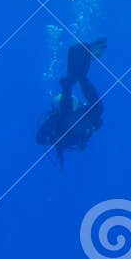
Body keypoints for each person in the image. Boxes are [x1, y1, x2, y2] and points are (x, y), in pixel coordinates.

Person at [36, 38, 106, 166]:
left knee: (87, 111)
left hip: (72, 122)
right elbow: (40, 138)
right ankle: (78, 80)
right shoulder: (56, 123)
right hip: (68, 125)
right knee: (90, 110)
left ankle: (77, 80)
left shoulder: (67, 120)